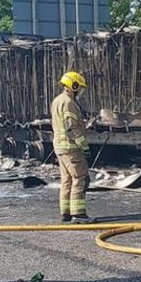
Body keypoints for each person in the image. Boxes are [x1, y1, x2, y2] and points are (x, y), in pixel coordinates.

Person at [51, 71, 94, 223]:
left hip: (60, 147)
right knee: (80, 178)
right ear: (73, 86)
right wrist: (84, 146)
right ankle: (79, 214)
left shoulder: (57, 100)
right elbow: (71, 128)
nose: (80, 91)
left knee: (67, 179)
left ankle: (66, 212)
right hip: (71, 147)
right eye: (79, 87)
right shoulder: (68, 103)